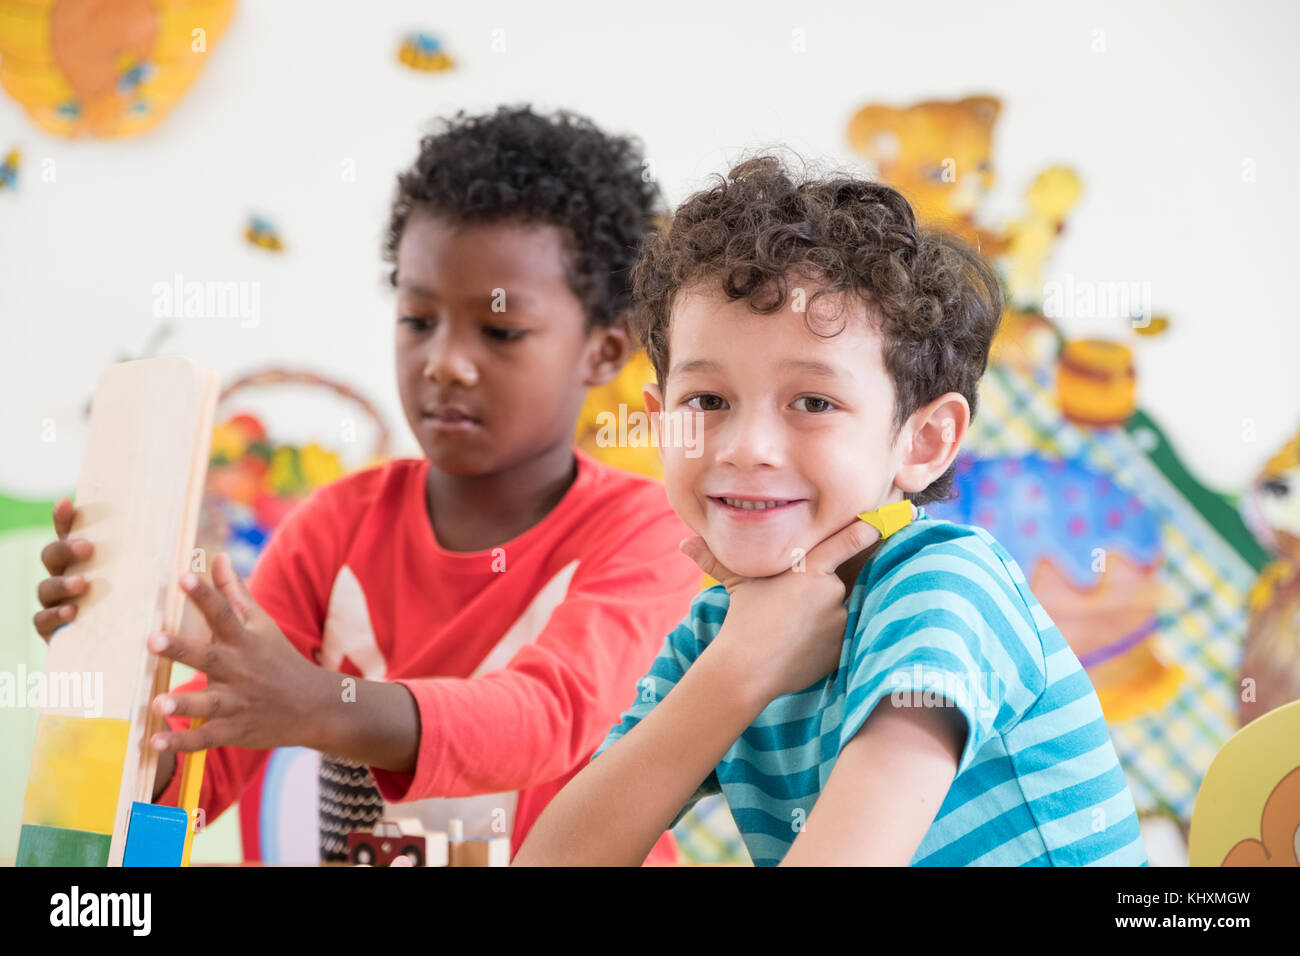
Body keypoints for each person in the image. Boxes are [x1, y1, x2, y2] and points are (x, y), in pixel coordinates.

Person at [33, 105, 704, 864]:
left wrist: (323, 706)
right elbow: (199, 767)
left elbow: (550, 717)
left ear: (605, 349)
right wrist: (110, 665)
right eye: (419, 320)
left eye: (501, 331)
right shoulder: (333, 526)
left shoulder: (648, 534)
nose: (445, 361)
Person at [514, 153, 1149, 866]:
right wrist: (740, 667)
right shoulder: (723, 631)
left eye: (813, 403)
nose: (747, 447)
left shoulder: (944, 587)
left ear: (925, 439)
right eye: (708, 401)